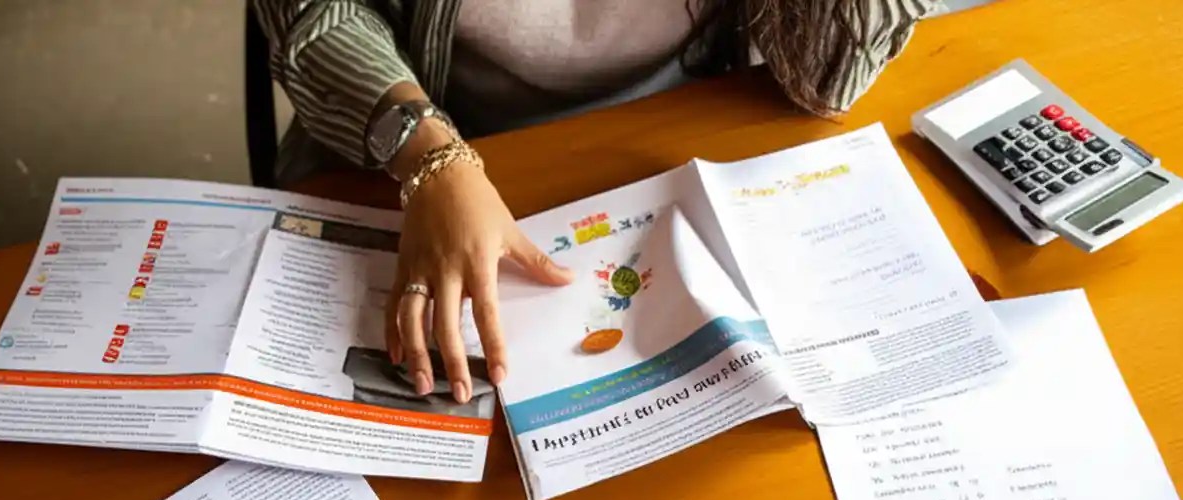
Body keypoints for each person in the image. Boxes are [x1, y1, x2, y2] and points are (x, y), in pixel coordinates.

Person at [253, 0, 937, 402]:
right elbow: (314, 16)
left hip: (672, 137)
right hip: (410, 143)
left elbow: (830, 78)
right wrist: (429, 153)